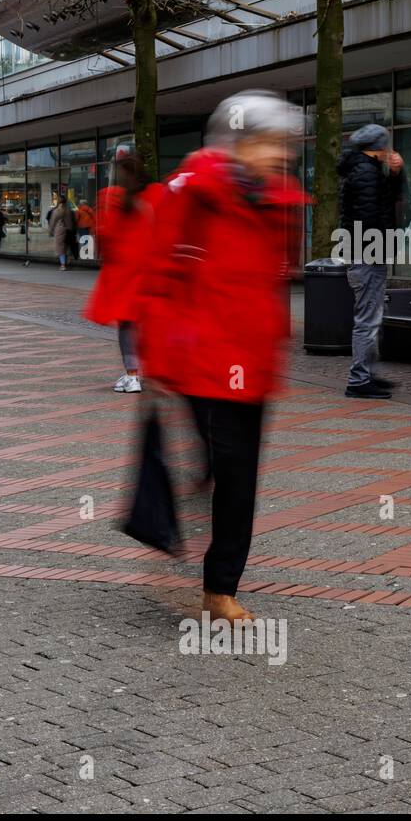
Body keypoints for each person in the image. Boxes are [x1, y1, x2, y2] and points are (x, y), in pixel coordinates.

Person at [135, 90, 307, 624]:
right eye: (272, 144)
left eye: (286, 145)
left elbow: (277, 279)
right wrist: (156, 362)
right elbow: (158, 274)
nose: (282, 155)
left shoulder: (280, 200)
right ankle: (219, 585)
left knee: (240, 475)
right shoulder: (191, 194)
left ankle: (220, 584)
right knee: (232, 470)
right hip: (202, 361)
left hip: (252, 362)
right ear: (240, 143)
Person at [84, 147, 159, 393]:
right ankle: (156, 371)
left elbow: (103, 233)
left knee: (128, 325)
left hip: (123, 272)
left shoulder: (109, 197)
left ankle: (132, 374)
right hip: (150, 270)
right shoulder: (155, 194)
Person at [339, 123, 403, 399]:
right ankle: (358, 380)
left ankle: (366, 373)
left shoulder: (364, 169)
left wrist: (396, 174)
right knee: (367, 318)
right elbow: (371, 216)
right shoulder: (366, 172)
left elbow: (381, 202)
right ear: (380, 147)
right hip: (367, 254)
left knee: (371, 316)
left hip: (364, 252)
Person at [48, 193, 75, 270]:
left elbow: (52, 222)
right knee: (66, 247)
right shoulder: (69, 210)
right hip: (68, 231)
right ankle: (67, 261)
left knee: (60, 248)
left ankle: (63, 265)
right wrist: (71, 229)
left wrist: (51, 231)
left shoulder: (57, 211)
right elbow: (70, 222)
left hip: (59, 231)